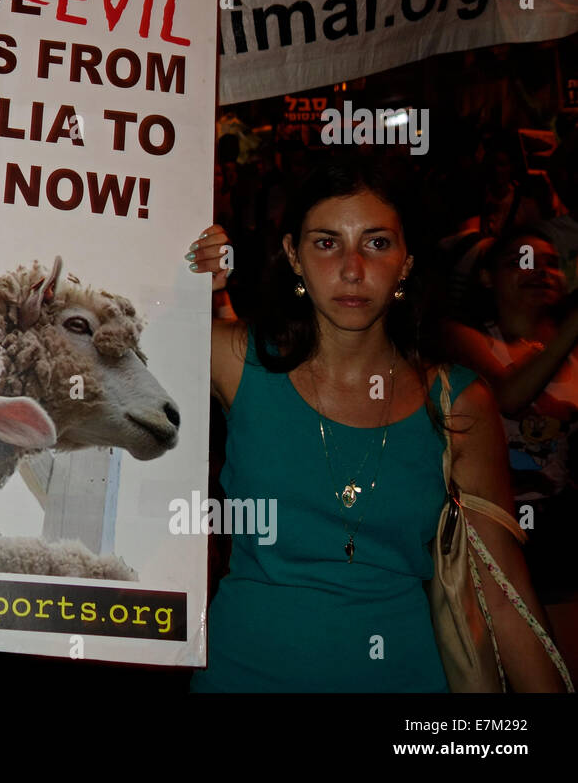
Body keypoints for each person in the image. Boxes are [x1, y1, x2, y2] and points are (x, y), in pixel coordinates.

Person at [186, 153, 565, 692]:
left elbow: (504, 596)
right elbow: (106, 332)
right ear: (292, 254)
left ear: (407, 260)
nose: (352, 268)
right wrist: (187, 275)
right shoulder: (237, 359)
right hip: (243, 673)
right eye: (326, 242)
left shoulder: (458, 401)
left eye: (377, 242)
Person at [439, 227, 578, 673]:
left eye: (551, 263)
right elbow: (510, 395)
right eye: (521, 261)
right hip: (490, 530)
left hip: (560, 530)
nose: (539, 271)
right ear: (486, 277)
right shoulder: (462, 339)